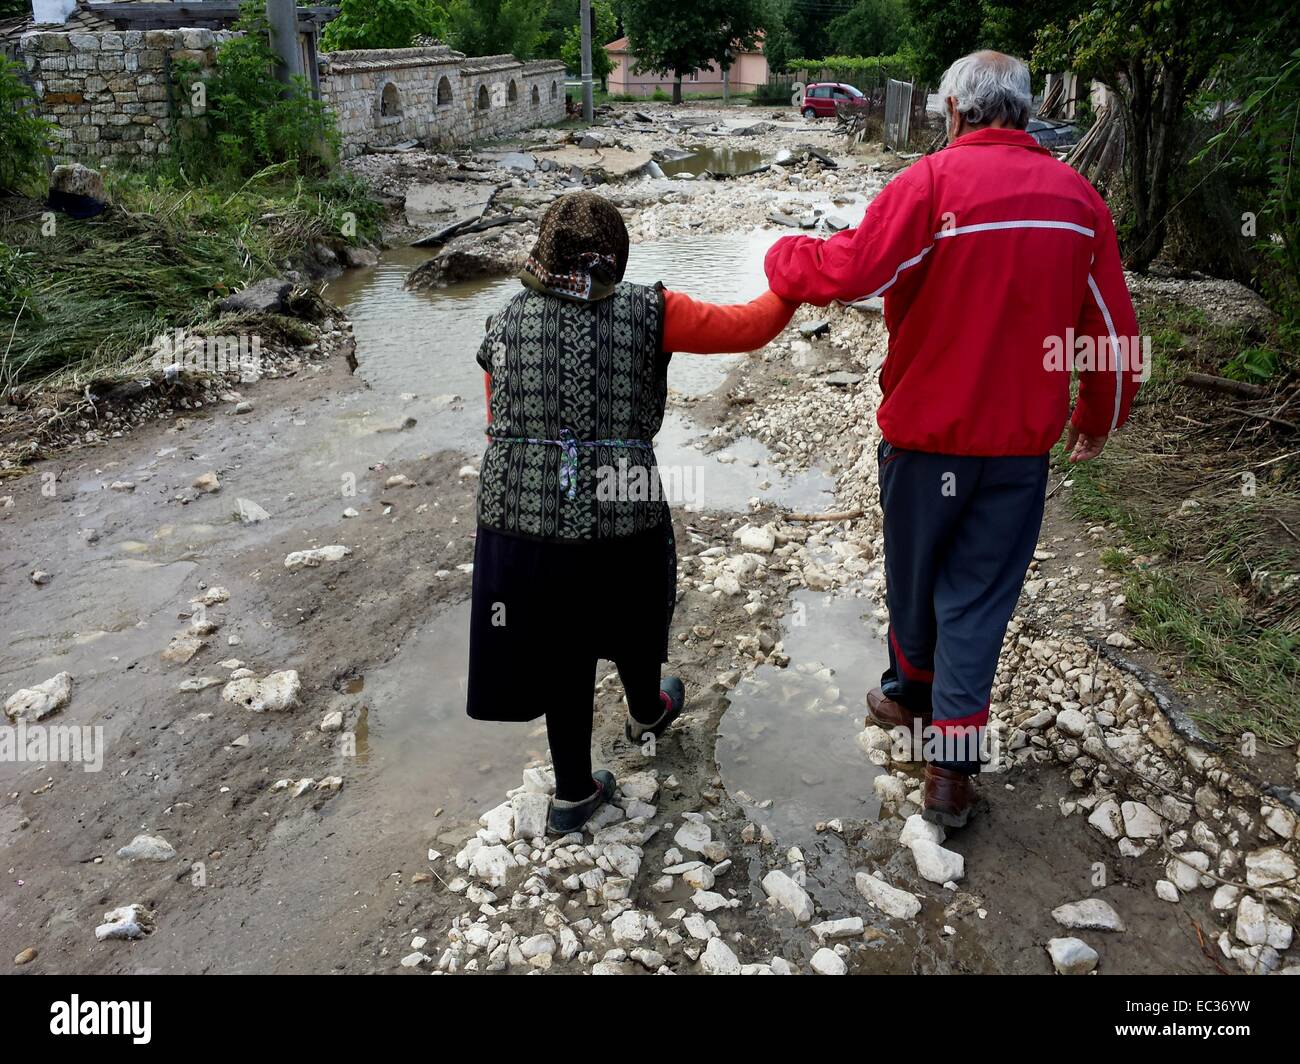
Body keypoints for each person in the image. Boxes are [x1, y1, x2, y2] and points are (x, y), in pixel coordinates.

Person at [764, 51, 1143, 828]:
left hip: (924, 442)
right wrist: (1098, 416)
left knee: (913, 580)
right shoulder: (1079, 201)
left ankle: (909, 695)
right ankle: (952, 773)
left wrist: (781, 256)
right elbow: (1110, 330)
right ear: (1028, 113)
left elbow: (852, 270)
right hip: (1014, 455)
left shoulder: (929, 185)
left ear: (955, 110)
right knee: (975, 600)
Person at [467, 192, 797, 834]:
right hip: (620, 502)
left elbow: (493, 417)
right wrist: (795, 277)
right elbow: (750, 325)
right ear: (616, 255)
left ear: (543, 248)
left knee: (562, 642)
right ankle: (647, 708)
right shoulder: (649, 310)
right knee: (635, 607)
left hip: (517, 515)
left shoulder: (504, 320)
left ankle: (571, 794)